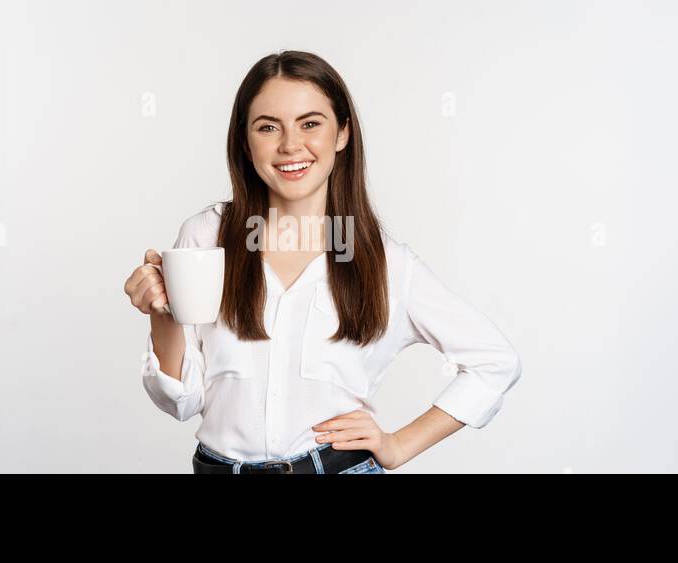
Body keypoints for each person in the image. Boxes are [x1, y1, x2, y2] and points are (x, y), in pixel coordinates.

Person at [123, 50, 521, 474]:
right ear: (245, 140)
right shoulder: (206, 236)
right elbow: (181, 402)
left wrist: (399, 445)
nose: (290, 145)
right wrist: (162, 316)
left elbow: (495, 361)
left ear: (342, 134)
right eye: (267, 127)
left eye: (310, 123)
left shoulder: (386, 263)